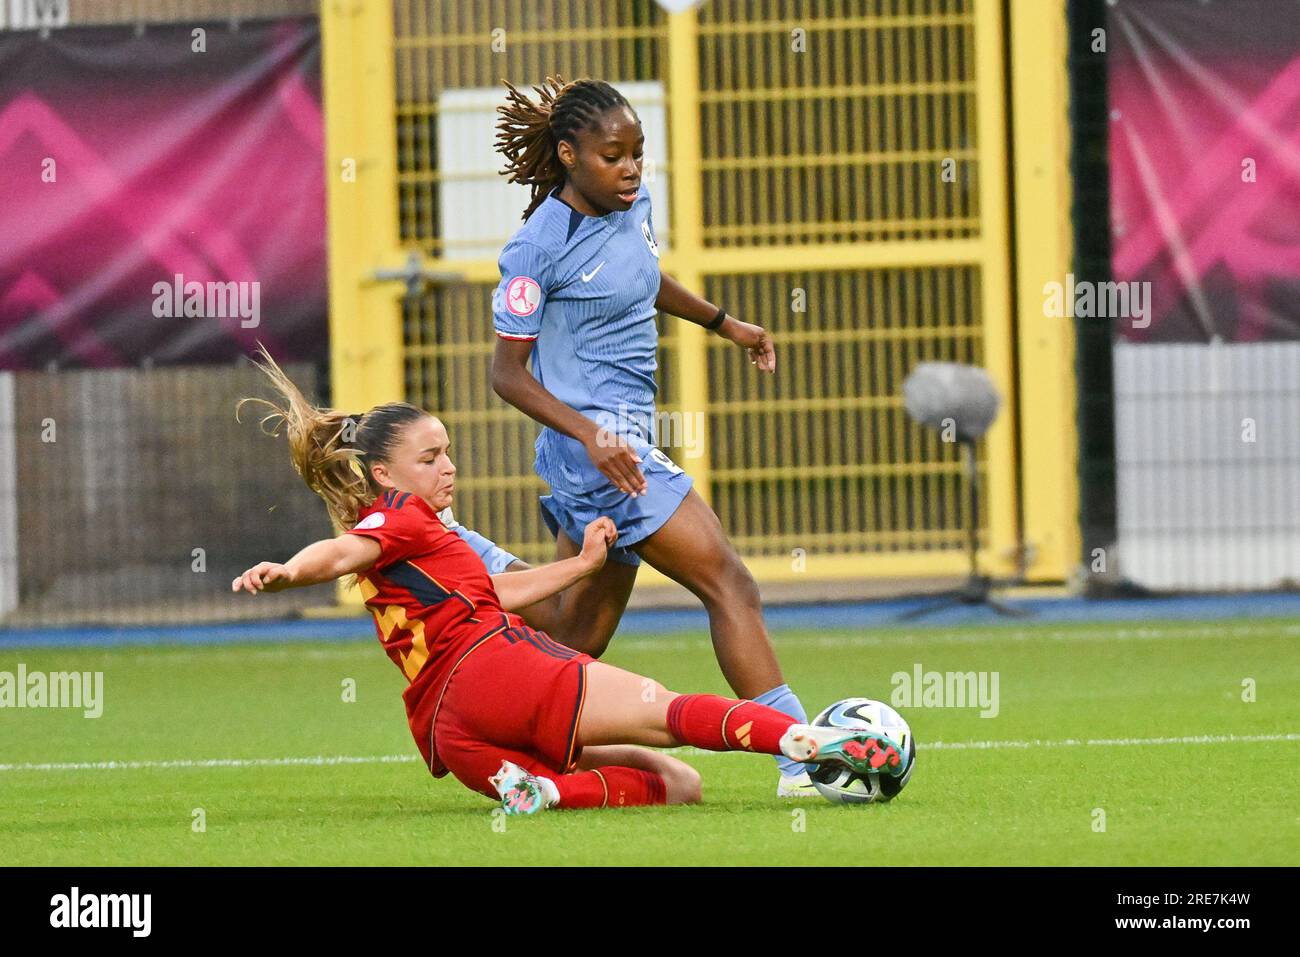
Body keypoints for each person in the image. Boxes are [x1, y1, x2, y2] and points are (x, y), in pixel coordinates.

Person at [232, 352, 908, 814]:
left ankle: (548, 792)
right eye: (430, 456)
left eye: (448, 451)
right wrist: (291, 570)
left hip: (456, 733)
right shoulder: (399, 517)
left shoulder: (426, 540)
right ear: (384, 473)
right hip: (498, 673)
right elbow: (339, 552)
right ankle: (812, 743)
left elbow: (488, 595)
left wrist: (583, 567)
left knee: (680, 784)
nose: (449, 467)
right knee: (666, 712)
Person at [491, 75, 817, 796]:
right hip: (599, 455)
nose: (633, 168)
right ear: (570, 155)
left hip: (621, 444)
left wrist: (723, 322)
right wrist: (591, 435)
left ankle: (512, 727)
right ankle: (800, 754)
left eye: (639, 152)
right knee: (726, 578)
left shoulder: (630, 206)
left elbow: (642, 277)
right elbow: (506, 376)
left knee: (576, 638)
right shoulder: (535, 248)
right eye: (615, 155)